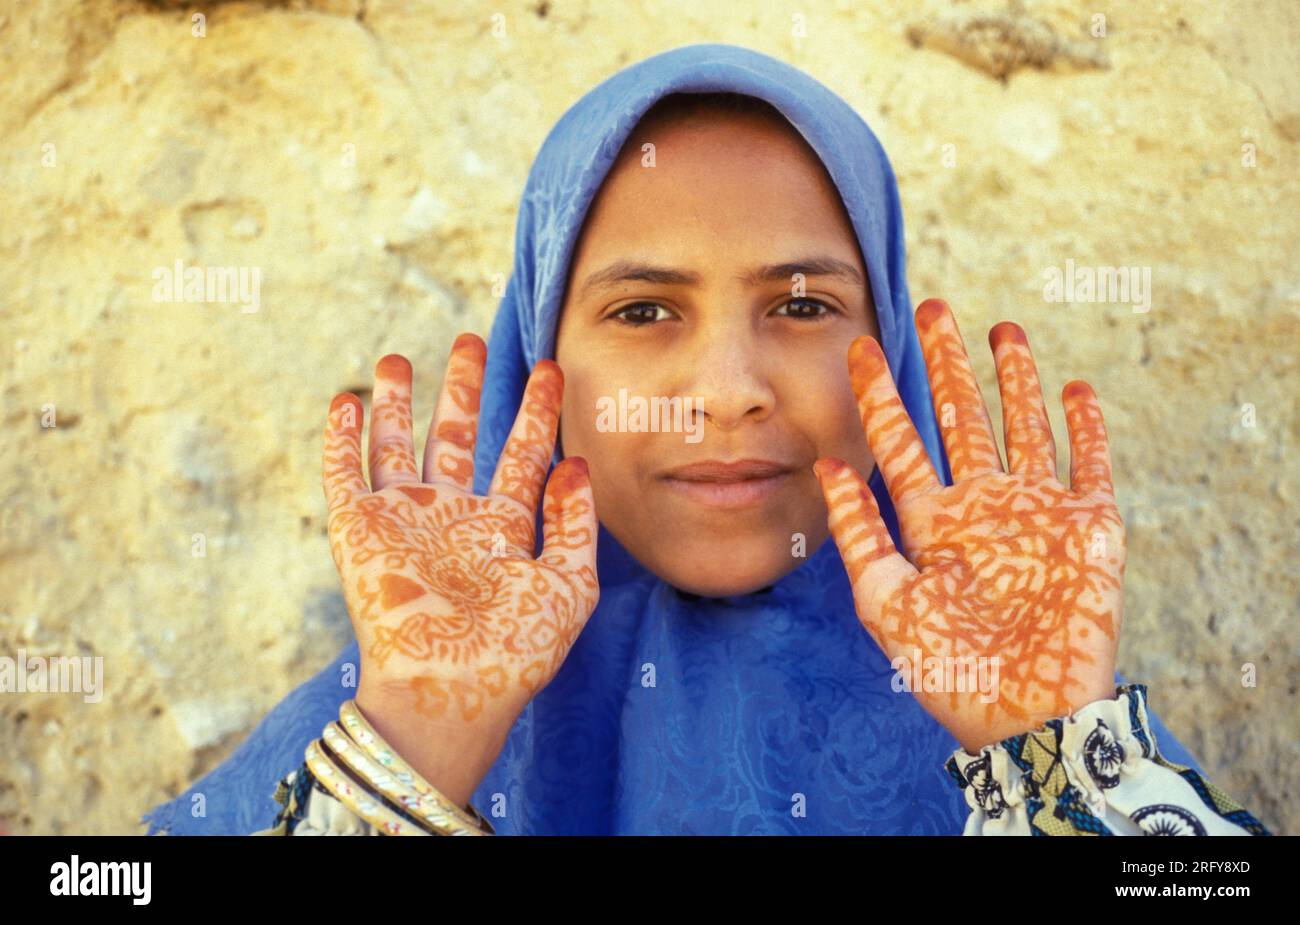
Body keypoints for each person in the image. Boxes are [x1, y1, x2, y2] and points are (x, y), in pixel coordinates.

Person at [141, 43, 1270, 837]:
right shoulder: (394, 710)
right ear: (547, 360)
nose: (727, 391)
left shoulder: (1031, 698)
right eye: (642, 312)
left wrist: (1062, 750)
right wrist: (419, 750)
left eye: (801, 305)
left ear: (891, 348)